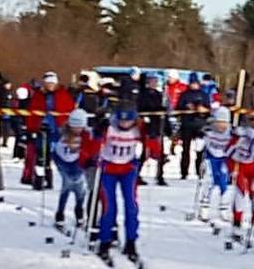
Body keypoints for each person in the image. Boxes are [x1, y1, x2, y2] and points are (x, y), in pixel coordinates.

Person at [96, 103, 143, 265]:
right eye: (121, 121)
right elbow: (94, 141)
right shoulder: (109, 129)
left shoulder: (138, 129)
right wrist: (98, 128)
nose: (124, 124)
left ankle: (131, 242)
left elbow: (152, 144)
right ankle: (104, 242)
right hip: (108, 169)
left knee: (131, 206)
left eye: (127, 121)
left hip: (128, 170)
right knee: (109, 208)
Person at [24, 71, 75, 190]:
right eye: (48, 83)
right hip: (41, 128)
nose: (50, 86)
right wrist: (32, 127)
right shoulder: (38, 95)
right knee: (41, 154)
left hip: (58, 129)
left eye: (52, 83)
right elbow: (33, 111)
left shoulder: (63, 94)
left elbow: (68, 110)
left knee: (59, 155)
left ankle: (65, 179)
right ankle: (40, 179)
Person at [53, 108, 96, 231]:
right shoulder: (63, 135)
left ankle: (79, 211)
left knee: (80, 192)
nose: (76, 129)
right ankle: (60, 213)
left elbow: (91, 148)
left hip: (80, 166)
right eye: (74, 126)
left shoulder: (86, 135)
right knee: (66, 189)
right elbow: (57, 153)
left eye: (79, 127)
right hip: (66, 167)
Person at [229, 114, 254, 237]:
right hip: (240, 167)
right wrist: (231, 168)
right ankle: (237, 222)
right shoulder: (239, 135)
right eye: (252, 120)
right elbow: (228, 151)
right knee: (240, 194)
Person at [198, 106, 235, 221]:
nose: (221, 126)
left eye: (224, 123)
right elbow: (200, 144)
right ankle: (204, 208)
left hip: (224, 159)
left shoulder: (231, 132)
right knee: (208, 182)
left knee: (224, 184)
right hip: (211, 158)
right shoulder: (209, 131)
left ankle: (224, 209)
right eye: (218, 123)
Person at [136, 73, 169, 186]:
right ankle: (137, 175)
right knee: (145, 153)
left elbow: (164, 110)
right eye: (152, 81)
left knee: (160, 153)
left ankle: (160, 176)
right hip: (147, 127)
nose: (154, 84)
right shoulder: (143, 95)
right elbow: (143, 108)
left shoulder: (159, 95)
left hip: (157, 126)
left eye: (155, 82)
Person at [176, 77, 210, 179]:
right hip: (187, 125)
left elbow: (209, 110)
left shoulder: (203, 95)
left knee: (200, 150)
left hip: (200, 126)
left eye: (195, 83)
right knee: (185, 150)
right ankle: (184, 172)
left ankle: (199, 171)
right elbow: (178, 108)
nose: (194, 85)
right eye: (192, 83)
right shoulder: (184, 94)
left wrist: (203, 110)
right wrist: (186, 107)